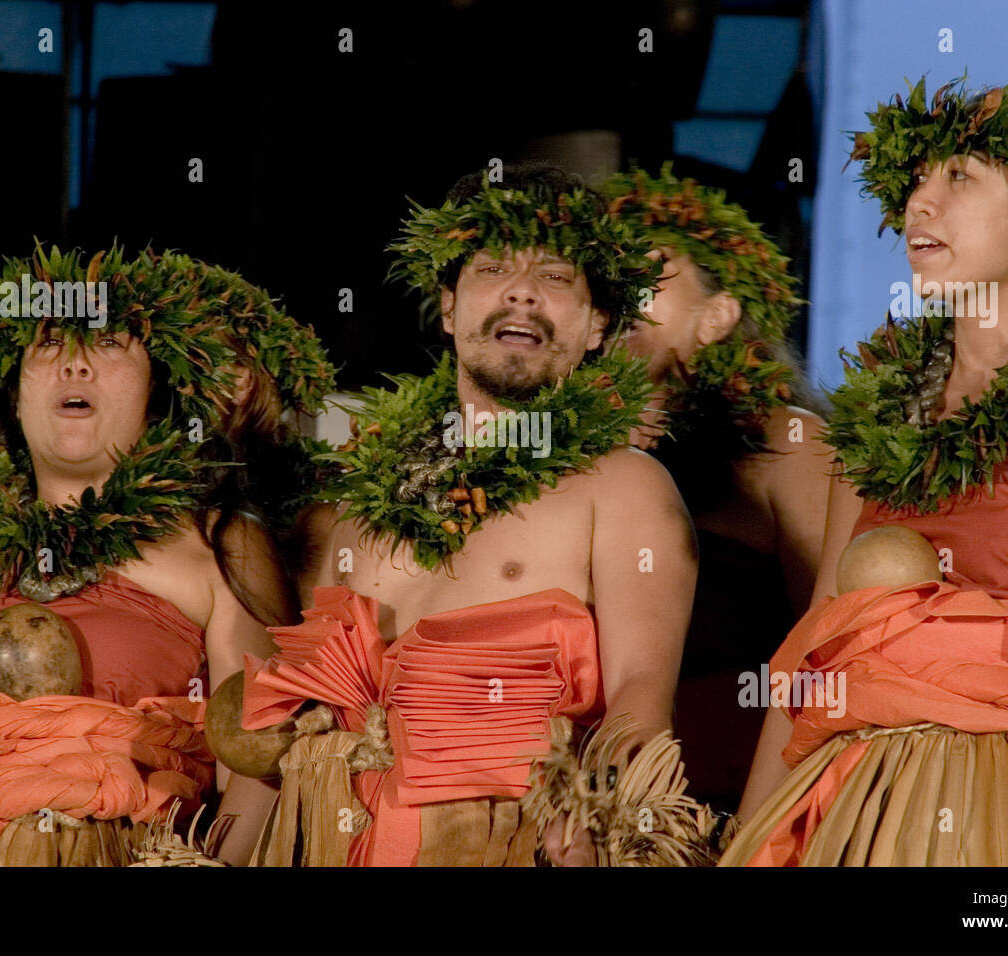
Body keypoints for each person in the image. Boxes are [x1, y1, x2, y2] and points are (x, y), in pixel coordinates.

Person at [721, 79, 1008, 865]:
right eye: (917, 181)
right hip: (854, 802)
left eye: (959, 177)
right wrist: (746, 843)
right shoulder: (879, 417)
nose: (919, 202)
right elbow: (819, 646)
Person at [240, 162, 704, 866]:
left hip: (510, 843)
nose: (521, 290)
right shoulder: (358, 505)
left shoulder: (624, 487)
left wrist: (604, 824)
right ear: (450, 307)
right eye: (492, 267)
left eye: (553, 276)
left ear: (596, 327)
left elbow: (641, 698)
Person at [0, 244, 334, 866]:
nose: (74, 365)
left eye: (109, 345)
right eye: (47, 344)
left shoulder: (220, 546)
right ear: (14, 392)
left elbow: (258, 754)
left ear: (157, 388)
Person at [601, 166, 832, 810]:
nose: (621, 293)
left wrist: (762, 829)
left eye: (647, 274)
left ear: (719, 315)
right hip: (588, 811)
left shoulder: (788, 445)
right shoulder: (570, 457)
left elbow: (836, 645)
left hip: (745, 802)